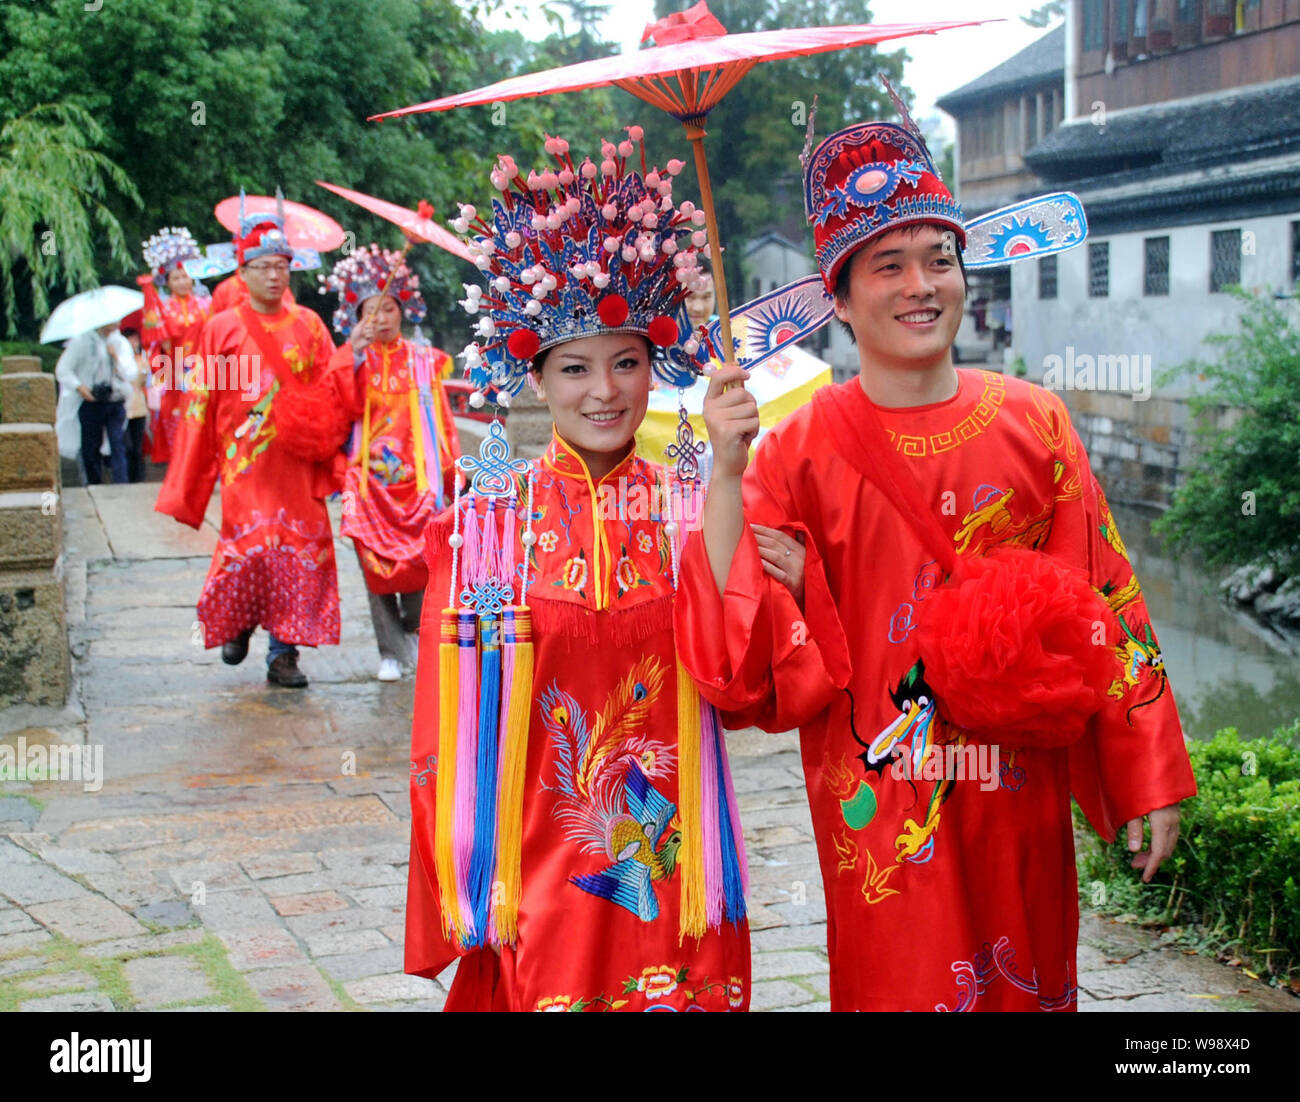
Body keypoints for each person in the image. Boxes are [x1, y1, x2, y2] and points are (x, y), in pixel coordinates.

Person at [678, 118, 1197, 1011]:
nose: (920, 286)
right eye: (888, 265)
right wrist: (726, 474)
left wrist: (1148, 778)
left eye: (939, 259)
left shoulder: (1036, 424)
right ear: (839, 298)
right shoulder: (797, 453)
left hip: (1015, 785)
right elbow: (738, 649)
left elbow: (1108, 604)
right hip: (883, 798)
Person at [405, 129, 752, 1012]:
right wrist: (471, 882)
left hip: (670, 860)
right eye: (575, 367)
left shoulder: (689, 502)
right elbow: (441, 737)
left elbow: (731, 658)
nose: (606, 390)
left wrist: (729, 470)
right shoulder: (486, 526)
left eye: (627, 361)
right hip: (535, 866)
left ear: (655, 366)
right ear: (535, 380)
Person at [155, 206, 349, 689]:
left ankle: (285, 653)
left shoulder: (309, 325)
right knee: (253, 546)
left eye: (281, 266)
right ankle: (239, 622)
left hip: (297, 460)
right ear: (242, 273)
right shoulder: (221, 328)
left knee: (300, 547)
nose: (273, 275)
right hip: (245, 462)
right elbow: (202, 401)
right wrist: (192, 468)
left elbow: (332, 388)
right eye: (262, 267)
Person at [321, 244, 461, 682]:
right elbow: (336, 406)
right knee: (374, 566)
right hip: (369, 482)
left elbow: (443, 419)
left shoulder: (425, 362)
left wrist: (453, 467)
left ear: (403, 311)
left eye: (387, 308)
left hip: (420, 480)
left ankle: (412, 634)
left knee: (422, 560)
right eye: (370, 310)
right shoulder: (352, 361)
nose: (379, 318)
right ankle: (389, 650)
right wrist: (353, 356)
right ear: (357, 316)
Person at [137, 227, 212, 464]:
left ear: (192, 277)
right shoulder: (163, 309)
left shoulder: (206, 304)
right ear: (167, 281)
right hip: (174, 372)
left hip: (204, 369)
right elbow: (153, 342)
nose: (182, 281)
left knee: (204, 419)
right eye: (175, 277)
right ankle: (179, 464)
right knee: (177, 420)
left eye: (185, 276)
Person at [54, 321, 133, 485]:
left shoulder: (120, 343)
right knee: (91, 446)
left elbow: (131, 373)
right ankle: (94, 483)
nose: (116, 323)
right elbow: (63, 369)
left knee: (117, 442)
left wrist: (116, 358)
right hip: (91, 400)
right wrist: (79, 387)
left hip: (115, 399)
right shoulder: (81, 342)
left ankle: (121, 483)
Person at [119, 326, 149, 483]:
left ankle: (138, 477)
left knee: (137, 446)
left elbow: (145, 381)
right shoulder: (118, 358)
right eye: (132, 339)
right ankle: (125, 475)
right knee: (126, 445)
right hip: (124, 405)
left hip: (138, 406)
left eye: (137, 339)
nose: (135, 342)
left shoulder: (141, 359)